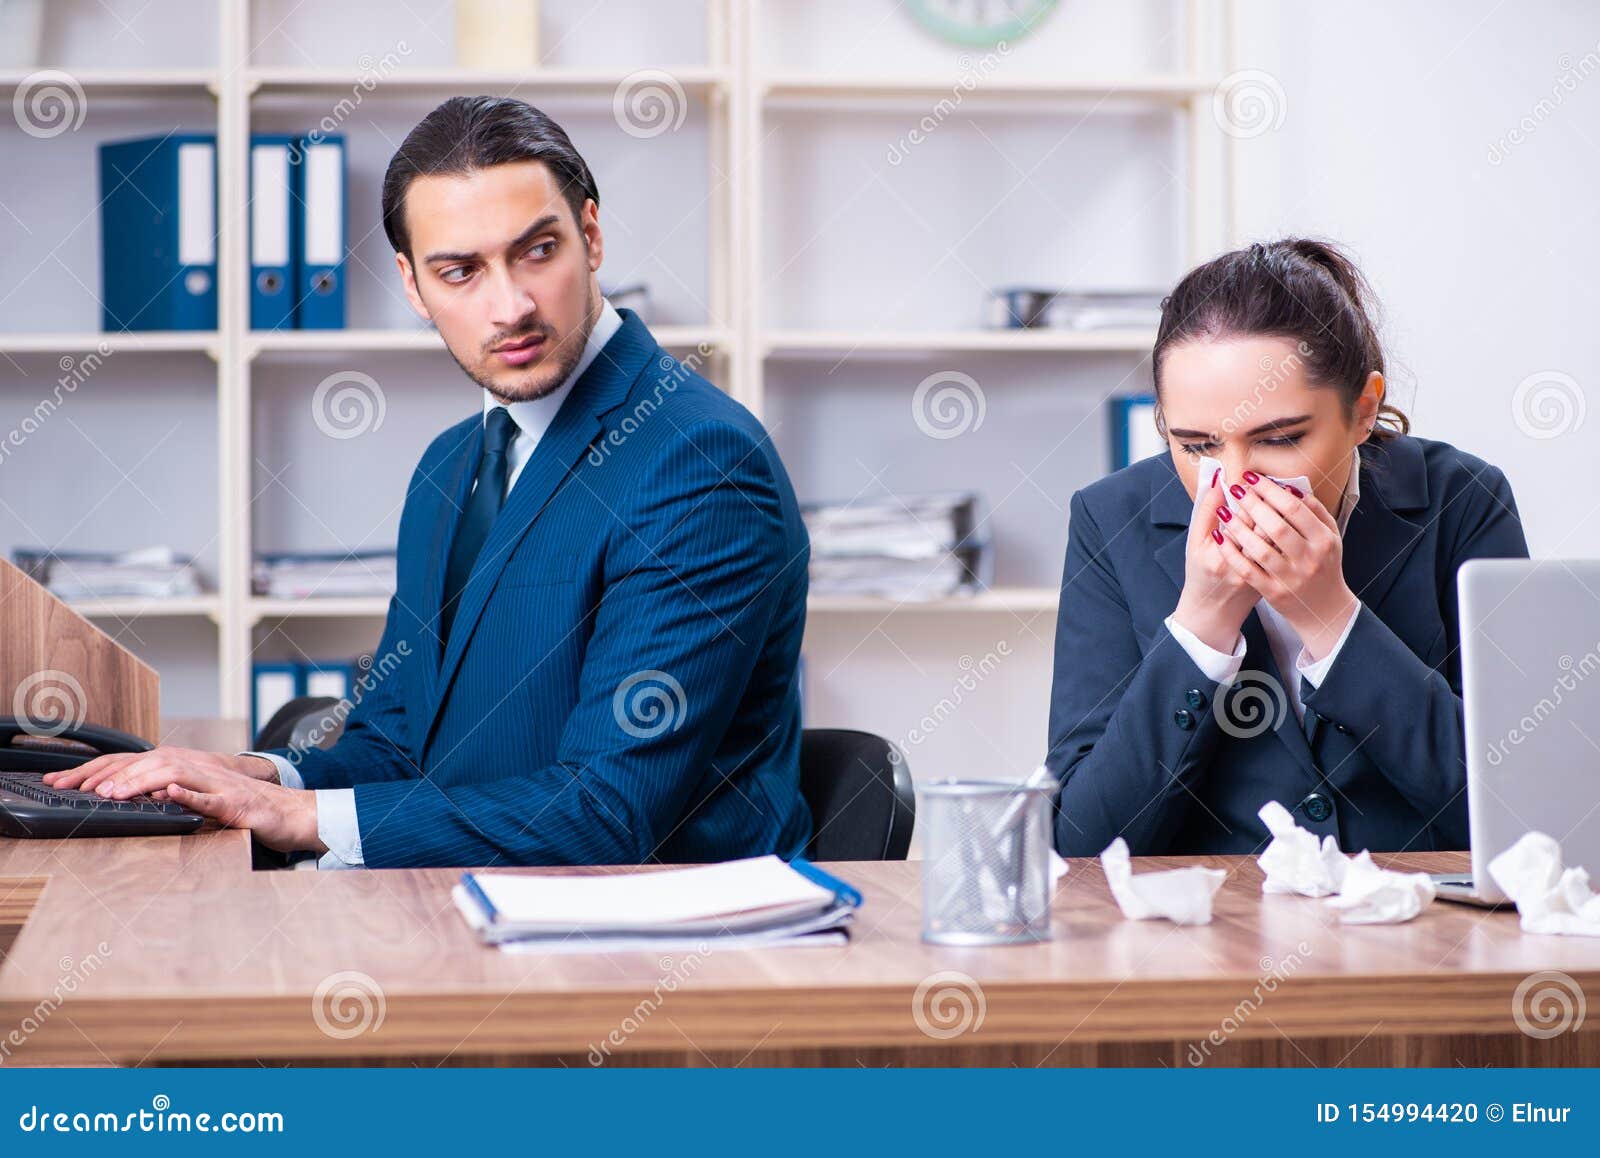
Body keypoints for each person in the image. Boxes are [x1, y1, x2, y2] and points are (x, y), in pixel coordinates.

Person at [47, 96, 813, 868]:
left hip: (654, 950)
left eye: (538, 251)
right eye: (461, 271)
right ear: (415, 287)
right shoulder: (452, 465)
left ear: (591, 234)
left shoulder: (698, 461)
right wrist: (254, 775)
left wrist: (293, 814)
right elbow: (399, 740)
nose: (510, 306)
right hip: (466, 910)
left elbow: (607, 814)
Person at [1047, 238, 1529, 856]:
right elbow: (1081, 845)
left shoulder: (1461, 500)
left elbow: (1523, 818)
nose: (1236, 478)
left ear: (1363, 411)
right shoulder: (1110, 518)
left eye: (1277, 439)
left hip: (1426, 925)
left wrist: (1333, 619)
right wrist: (1201, 629)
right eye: (1197, 446)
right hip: (1207, 934)